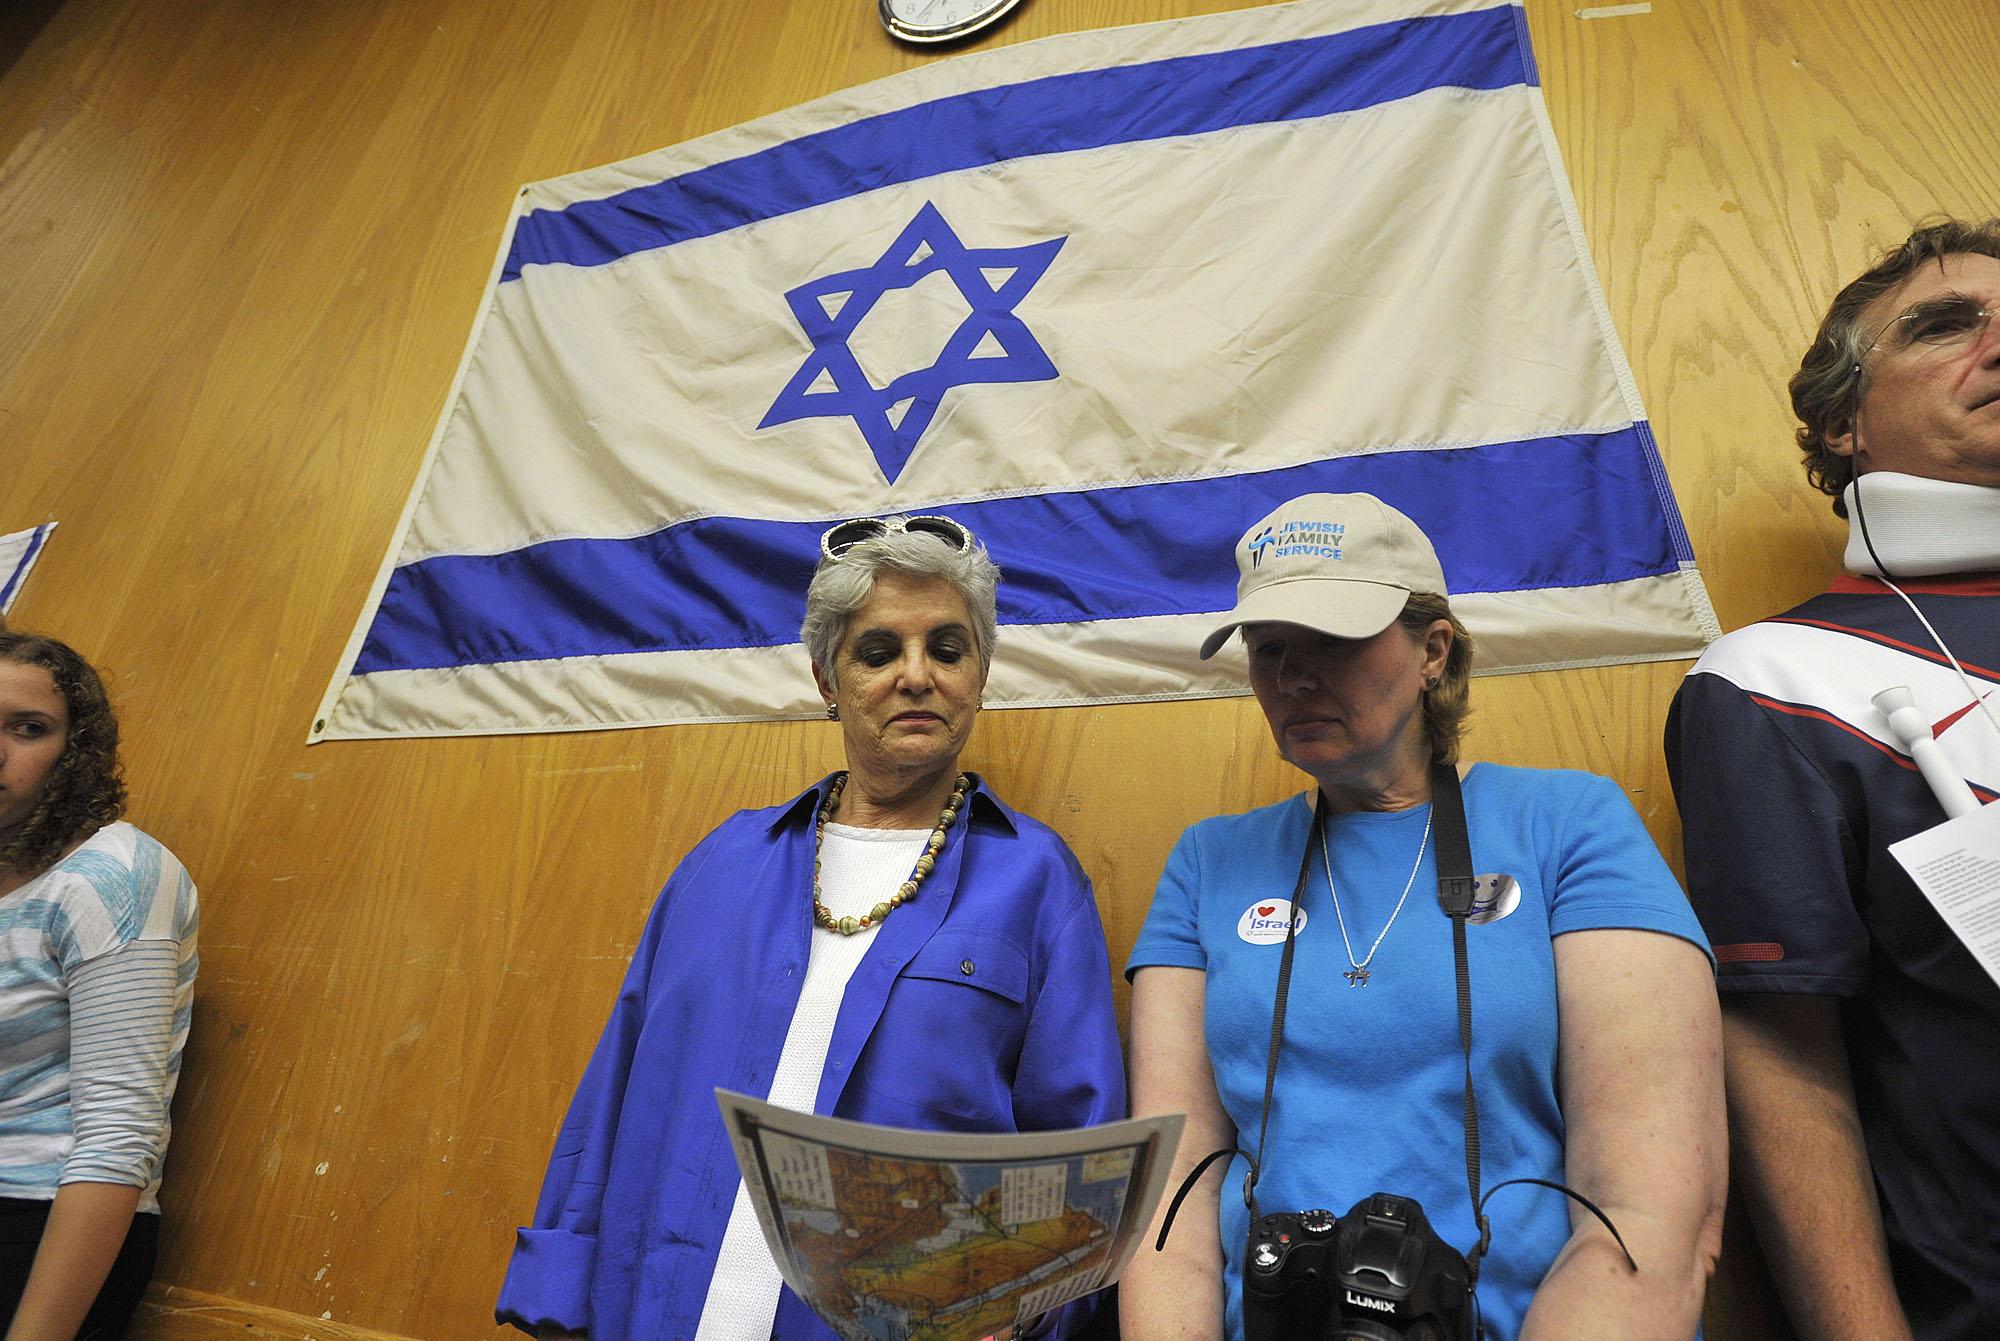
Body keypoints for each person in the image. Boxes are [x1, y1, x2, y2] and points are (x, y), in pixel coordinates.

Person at [496, 515, 1127, 1341]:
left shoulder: (1038, 881)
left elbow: (1080, 1157)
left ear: (980, 673)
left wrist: (1023, 1316)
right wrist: (559, 1281)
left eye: (947, 647)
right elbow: (612, 1088)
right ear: (828, 679)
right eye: (877, 651)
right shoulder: (722, 862)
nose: (916, 675)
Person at [1123, 492, 1724, 1341]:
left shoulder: (1571, 827)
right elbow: (1169, 1213)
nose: (1294, 675)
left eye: (1332, 640)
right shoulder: (1207, 863)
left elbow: (1651, 1221)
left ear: (1433, 649)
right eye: (1269, 648)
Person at [1665, 218, 2000, 1341]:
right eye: (1945, 325)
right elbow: (1779, 1052)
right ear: (1841, 421)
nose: (1996, 343)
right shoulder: (1778, 679)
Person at [0, 633, 198, 1341]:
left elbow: (118, 1135)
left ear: (73, 752)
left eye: (28, 728)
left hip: (43, 1224)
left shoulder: (110, 875)